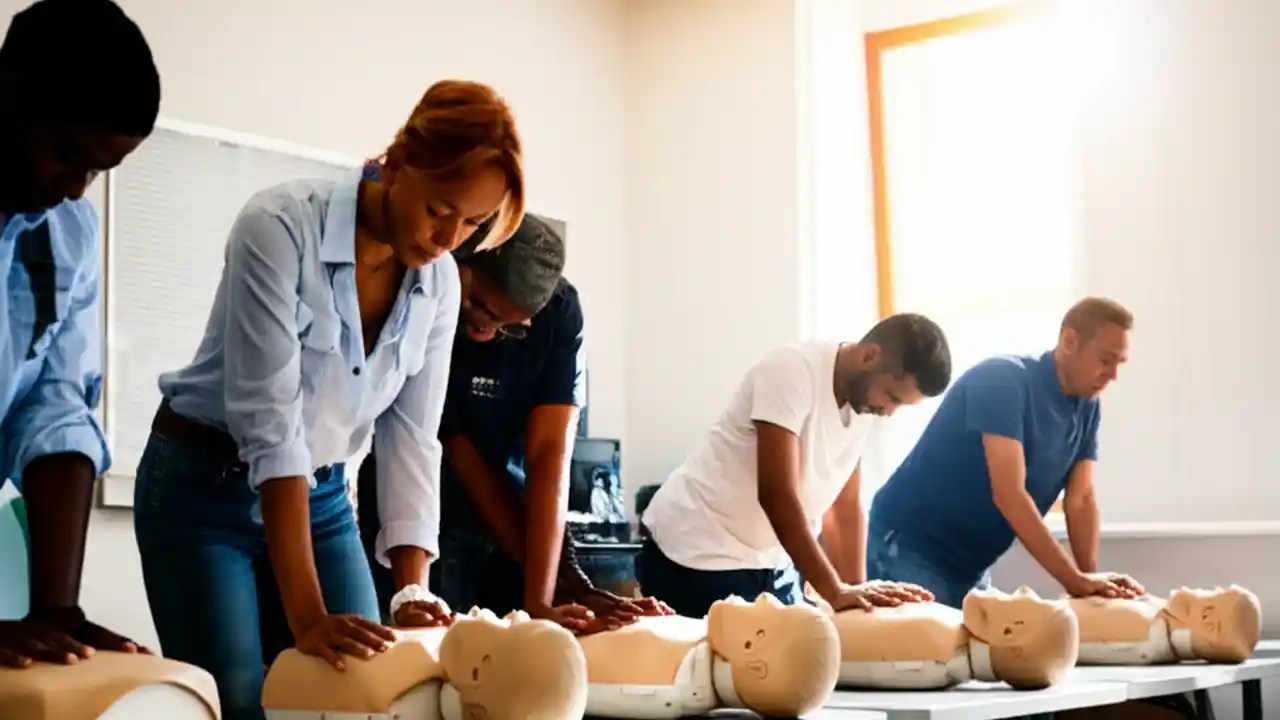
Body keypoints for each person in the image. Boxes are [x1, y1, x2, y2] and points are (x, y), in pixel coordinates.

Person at [131, 80, 524, 720]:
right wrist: (307, 615)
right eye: (439, 208)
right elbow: (272, 427)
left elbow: (411, 436)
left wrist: (411, 588)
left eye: (474, 223)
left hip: (320, 494)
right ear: (397, 164)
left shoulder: (440, 283)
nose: (449, 235)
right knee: (238, 698)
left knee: (370, 692)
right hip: (201, 487)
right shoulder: (279, 226)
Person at [358, 214, 669, 634]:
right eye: (481, 306)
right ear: (462, 264)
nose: (487, 328)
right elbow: (458, 454)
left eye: (511, 326)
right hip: (423, 511)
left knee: (523, 653)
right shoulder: (428, 298)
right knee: (433, 654)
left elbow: (549, 456)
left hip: (515, 509)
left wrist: (560, 588)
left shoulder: (560, 314)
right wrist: (546, 593)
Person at [0, 0, 160, 670]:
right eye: (68, 156)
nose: (74, 189)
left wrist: (55, 612)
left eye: (96, 172)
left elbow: (56, 406)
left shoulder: (69, 232)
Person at [639, 314, 953, 618]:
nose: (889, 412)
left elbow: (843, 509)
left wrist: (858, 595)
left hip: (770, 562)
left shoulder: (864, 404)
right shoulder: (791, 370)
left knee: (810, 647)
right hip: (696, 552)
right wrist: (834, 590)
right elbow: (777, 495)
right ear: (870, 356)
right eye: (892, 397)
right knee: (762, 660)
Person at [867, 297, 1144, 609]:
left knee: (986, 653)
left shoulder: (1088, 407)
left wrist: (1092, 582)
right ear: (1069, 341)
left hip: (972, 566)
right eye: (1105, 360)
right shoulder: (1003, 381)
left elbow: (1080, 499)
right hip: (909, 546)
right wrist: (1074, 581)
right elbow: (1009, 494)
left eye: (1120, 363)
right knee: (933, 653)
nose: (1113, 375)